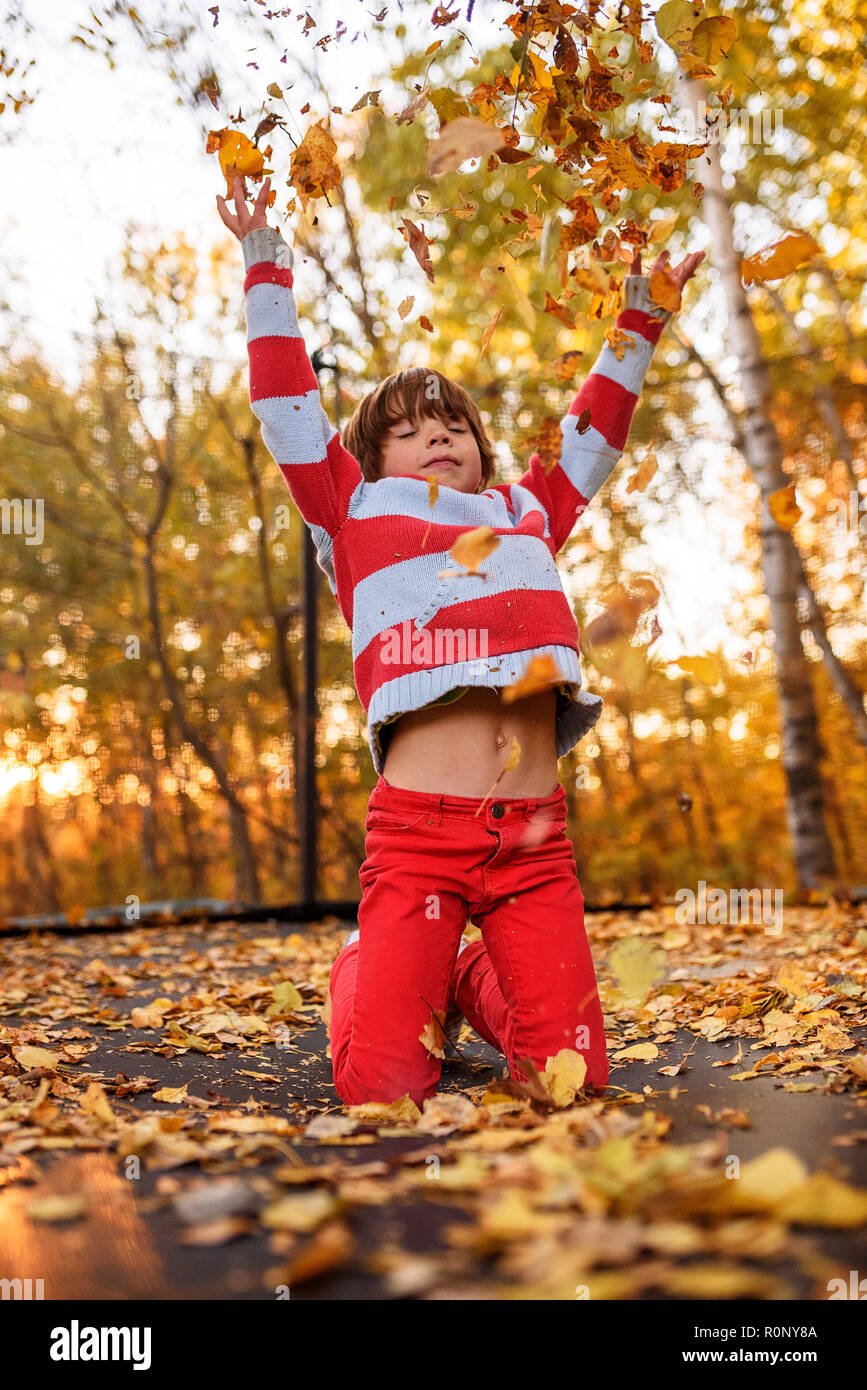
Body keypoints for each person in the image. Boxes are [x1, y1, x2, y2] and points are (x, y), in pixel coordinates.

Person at [217, 173, 704, 1107]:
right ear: (372, 457)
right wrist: (265, 267)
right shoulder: (352, 510)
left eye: (451, 426)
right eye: (405, 431)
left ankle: (460, 976)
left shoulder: (522, 513)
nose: (435, 439)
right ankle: (382, 965)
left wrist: (635, 330)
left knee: (567, 1084)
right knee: (384, 1092)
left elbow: (589, 444)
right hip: (418, 836)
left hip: (532, 840)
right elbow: (285, 409)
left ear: (481, 450)